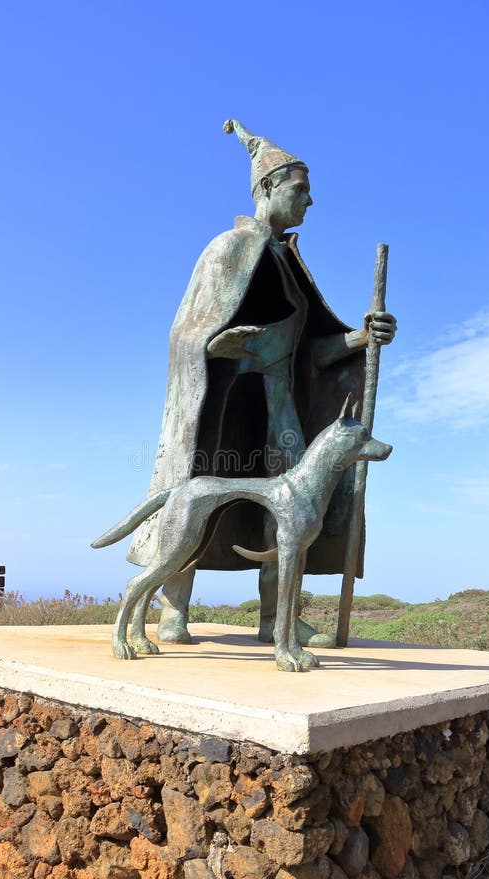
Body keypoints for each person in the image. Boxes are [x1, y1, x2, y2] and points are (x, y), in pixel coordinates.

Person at [127, 120, 397, 647]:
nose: (310, 202)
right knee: (192, 492)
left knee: (294, 500)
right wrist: (213, 347)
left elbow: (311, 353)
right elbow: (183, 335)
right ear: (269, 188)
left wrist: (362, 338)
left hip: (278, 405)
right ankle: (173, 610)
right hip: (222, 406)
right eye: (301, 190)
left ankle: (278, 618)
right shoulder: (226, 249)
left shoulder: (291, 265)